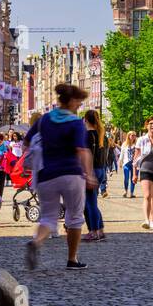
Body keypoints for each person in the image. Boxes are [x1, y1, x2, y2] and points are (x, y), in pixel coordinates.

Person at [24, 83, 95, 270]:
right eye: (79, 102)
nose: (79, 106)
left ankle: (36, 242)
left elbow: (27, 140)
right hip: (71, 174)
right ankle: (72, 259)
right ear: (71, 101)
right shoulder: (75, 123)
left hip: (46, 174)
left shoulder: (45, 119)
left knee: (48, 217)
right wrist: (89, 174)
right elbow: (81, 150)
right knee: (75, 218)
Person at [82, 109, 107, 242]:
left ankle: (94, 232)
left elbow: (87, 155)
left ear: (85, 119)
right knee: (93, 202)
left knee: (90, 203)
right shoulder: (102, 134)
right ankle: (100, 230)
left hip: (91, 170)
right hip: (101, 170)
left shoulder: (87, 135)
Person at [120, 130, 137, 197]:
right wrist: (120, 162)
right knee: (126, 178)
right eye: (132, 135)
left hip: (134, 164)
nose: (133, 136)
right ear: (129, 136)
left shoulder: (136, 144)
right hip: (126, 163)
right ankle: (126, 191)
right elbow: (122, 153)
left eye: (134, 135)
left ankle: (131, 193)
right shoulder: (124, 144)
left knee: (133, 178)